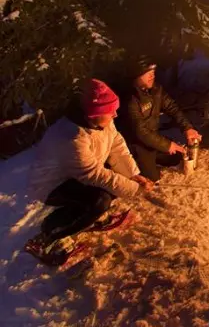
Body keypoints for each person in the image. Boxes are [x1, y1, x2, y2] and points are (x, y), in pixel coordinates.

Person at [27, 79, 154, 261]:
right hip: (51, 184)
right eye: (111, 111)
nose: (116, 115)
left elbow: (116, 146)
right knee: (99, 200)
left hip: (76, 174)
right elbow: (94, 175)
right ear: (95, 114)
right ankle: (51, 233)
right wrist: (133, 188)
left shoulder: (103, 121)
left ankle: (90, 216)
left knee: (112, 186)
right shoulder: (71, 137)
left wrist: (134, 175)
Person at [121, 57, 201, 181]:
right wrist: (167, 145)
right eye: (147, 73)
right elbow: (140, 131)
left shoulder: (156, 89)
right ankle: (135, 161)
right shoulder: (130, 99)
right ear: (136, 76)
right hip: (136, 144)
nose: (152, 76)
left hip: (152, 137)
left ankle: (154, 157)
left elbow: (172, 108)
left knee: (179, 156)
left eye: (153, 72)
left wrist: (187, 128)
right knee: (152, 178)